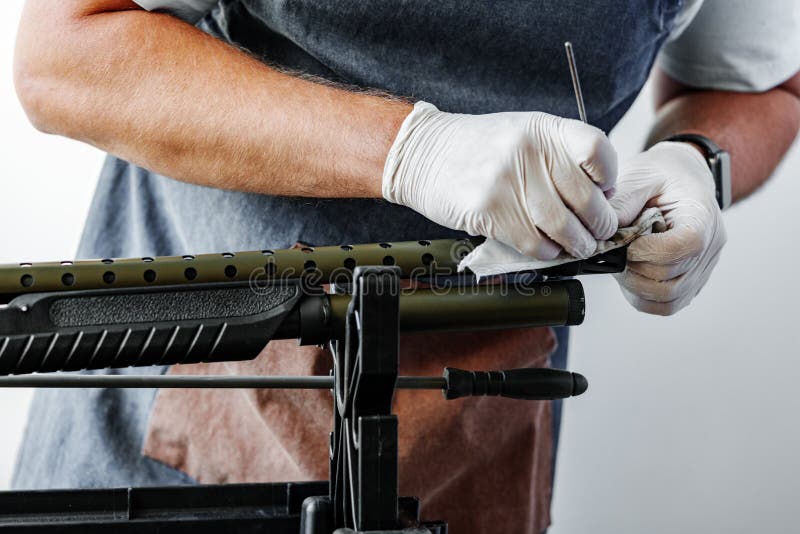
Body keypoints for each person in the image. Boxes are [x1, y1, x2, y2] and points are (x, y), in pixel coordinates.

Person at [10, 0, 800, 532]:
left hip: (482, 411)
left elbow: (762, 87)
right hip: (191, 387)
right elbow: (65, 51)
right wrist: (411, 151)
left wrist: (698, 161)